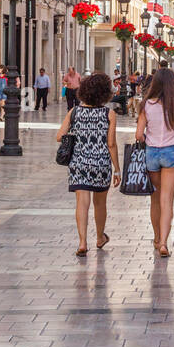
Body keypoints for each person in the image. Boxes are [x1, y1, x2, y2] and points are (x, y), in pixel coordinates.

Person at [56, 71, 120, 257]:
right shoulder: (109, 114)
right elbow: (111, 144)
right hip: (100, 164)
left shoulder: (74, 112)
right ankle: (100, 237)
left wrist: (78, 134)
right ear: (104, 93)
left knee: (81, 203)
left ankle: (83, 242)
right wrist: (117, 170)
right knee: (100, 204)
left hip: (79, 163)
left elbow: (59, 136)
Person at [136, 68, 174, 257]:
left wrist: (147, 138)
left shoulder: (146, 105)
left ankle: (157, 237)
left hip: (151, 154)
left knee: (155, 198)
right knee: (167, 200)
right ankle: (165, 243)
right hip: (171, 153)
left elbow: (138, 135)